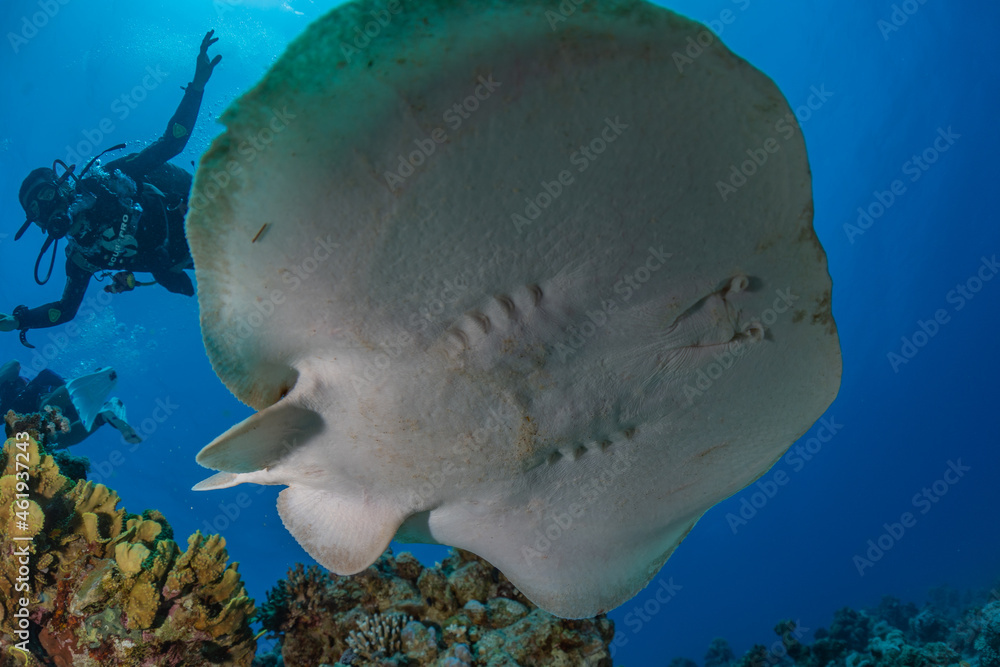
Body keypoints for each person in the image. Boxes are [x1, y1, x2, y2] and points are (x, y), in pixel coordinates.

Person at [0, 31, 222, 347]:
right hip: (195, 258)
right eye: (35, 211)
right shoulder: (81, 259)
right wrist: (18, 321)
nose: (46, 210)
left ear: (62, 188)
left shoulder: (110, 182)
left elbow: (171, 144)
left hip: (202, 212)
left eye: (45, 196)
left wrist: (197, 85)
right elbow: (64, 311)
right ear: (37, 225)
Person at [0, 360, 141, 448]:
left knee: (46, 408)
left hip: (47, 392)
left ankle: (90, 384)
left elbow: (14, 365)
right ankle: (104, 415)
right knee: (56, 442)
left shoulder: (5, 384)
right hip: (59, 414)